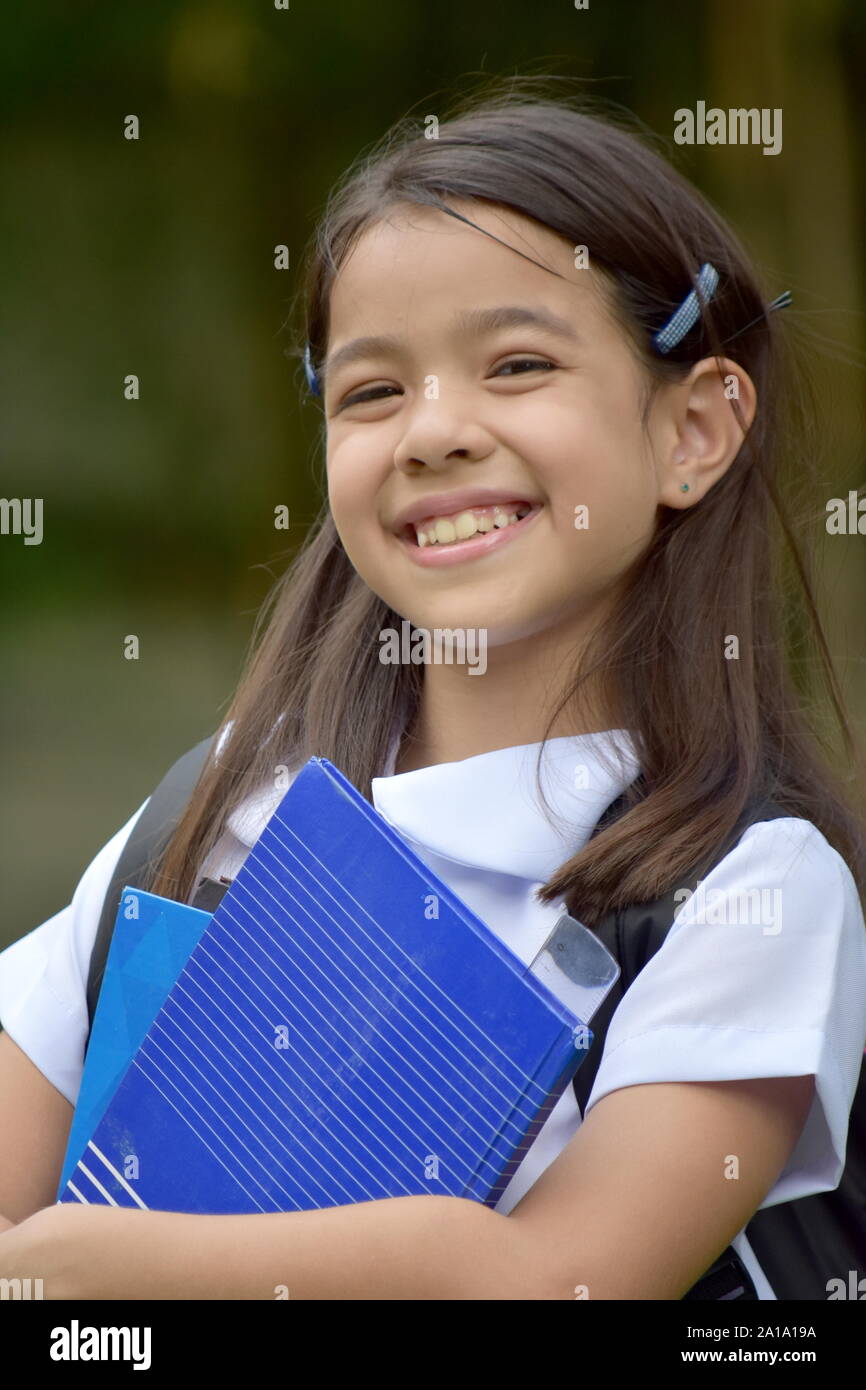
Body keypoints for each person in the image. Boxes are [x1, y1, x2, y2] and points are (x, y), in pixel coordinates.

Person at [0, 78, 864, 1300]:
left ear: (693, 429)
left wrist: (115, 1270)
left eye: (516, 364)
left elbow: (558, 1283)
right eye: (371, 390)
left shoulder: (747, 887)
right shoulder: (217, 808)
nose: (431, 431)